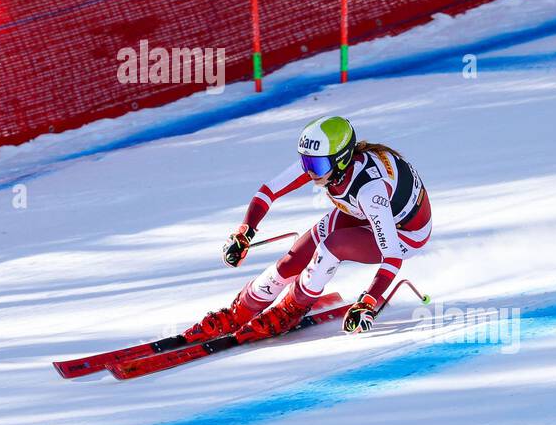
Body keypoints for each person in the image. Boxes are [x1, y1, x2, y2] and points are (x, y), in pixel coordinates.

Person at [184, 115, 432, 342]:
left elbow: (392, 255)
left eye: (318, 165)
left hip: (405, 233)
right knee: (291, 262)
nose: (310, 171)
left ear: (342, 160)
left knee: (332, 247)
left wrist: (367, 301)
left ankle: (291, 309)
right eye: (306, 161)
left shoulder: (370, 191)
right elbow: (269, 191)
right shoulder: (329, 167)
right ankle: (239, 311)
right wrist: (245, 231)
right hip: (359, 212)